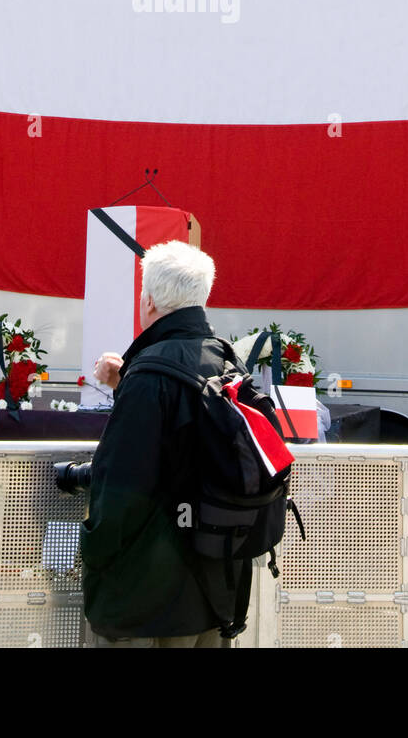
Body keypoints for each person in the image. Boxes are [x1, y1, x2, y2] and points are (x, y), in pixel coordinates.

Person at [80, 239, 249, 647]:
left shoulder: (150, 375)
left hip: (146, 603)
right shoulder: (227, 364)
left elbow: (120, 489)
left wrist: (91, 553)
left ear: (150, 301)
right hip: (215, 593)